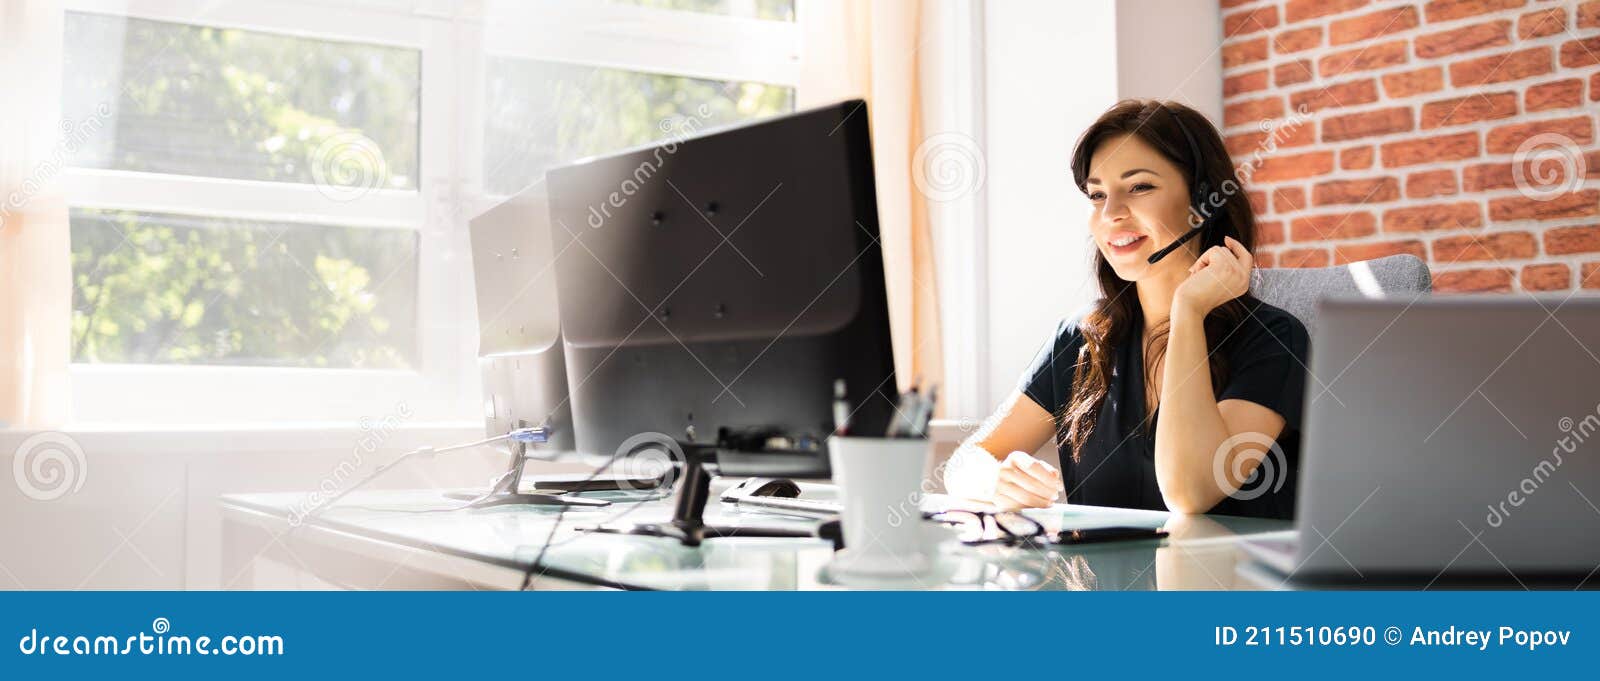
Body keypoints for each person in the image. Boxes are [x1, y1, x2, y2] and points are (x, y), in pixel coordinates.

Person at [945, 99, 1309, 520]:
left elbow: (1189, 492)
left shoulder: (1272, 339)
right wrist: (995, 481)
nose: (1110, 214)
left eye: (1139, 187)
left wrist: (1187, 313)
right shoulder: (1084, 337)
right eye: (1097, 194)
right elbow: (965, 461)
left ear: (1204, 200)